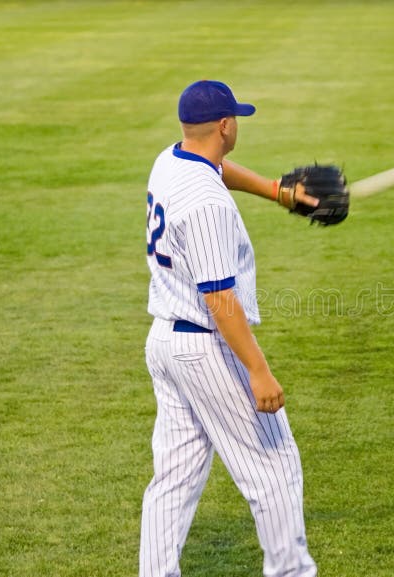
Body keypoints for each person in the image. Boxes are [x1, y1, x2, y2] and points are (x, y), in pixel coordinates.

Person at [141, 80, 317, 577]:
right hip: (206, 351)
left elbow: (216, 170)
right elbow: (220, 299)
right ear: (225, 125)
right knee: (275, 468)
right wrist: (258, 372)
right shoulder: (207, 204)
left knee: (173, 481)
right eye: (235, 118)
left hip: (165, 342)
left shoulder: (171, 159)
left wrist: (275, 192)